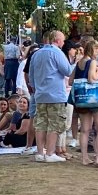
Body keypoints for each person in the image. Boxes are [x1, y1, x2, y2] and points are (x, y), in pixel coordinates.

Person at [28, 30, 72, 162]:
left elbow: (31, 75)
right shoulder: (57, 52)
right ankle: (50, 153)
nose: (63, 43)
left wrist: (35, 88)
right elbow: (68, 71)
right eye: (63, 40)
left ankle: (40, 152)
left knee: (41, 123)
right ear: (57, 40)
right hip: (55, 94)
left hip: (40, 94)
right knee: (55, 123)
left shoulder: (36, 54)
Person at [73, 39, 98, 166]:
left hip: (82, 99)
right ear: (93, 50)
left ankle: (85, 158)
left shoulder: (79, 62)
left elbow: (71, 80)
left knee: (85, 130)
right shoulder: (93, 62)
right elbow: (91, 79)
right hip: (95, 97)